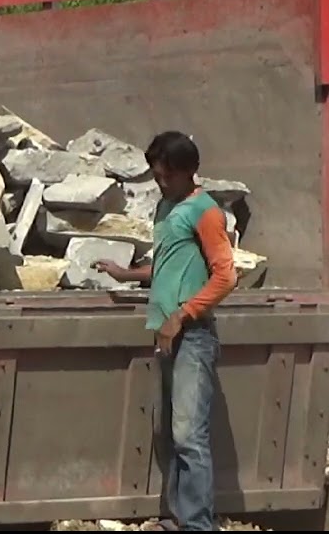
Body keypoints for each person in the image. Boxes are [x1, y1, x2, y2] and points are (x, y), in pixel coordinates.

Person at [93, 131, 236, 532]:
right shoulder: (167, 207)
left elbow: (226, 277)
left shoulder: (205, 212)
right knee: (171, 433)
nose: (160, 183)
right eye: (156, 176)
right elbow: (170, 265)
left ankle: (197, 525)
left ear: (189, 172)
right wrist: (127, 274)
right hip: (169, 335)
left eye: (166, 176)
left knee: (190, 436)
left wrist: (181, 316)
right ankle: (176, 516)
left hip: (192, 336)